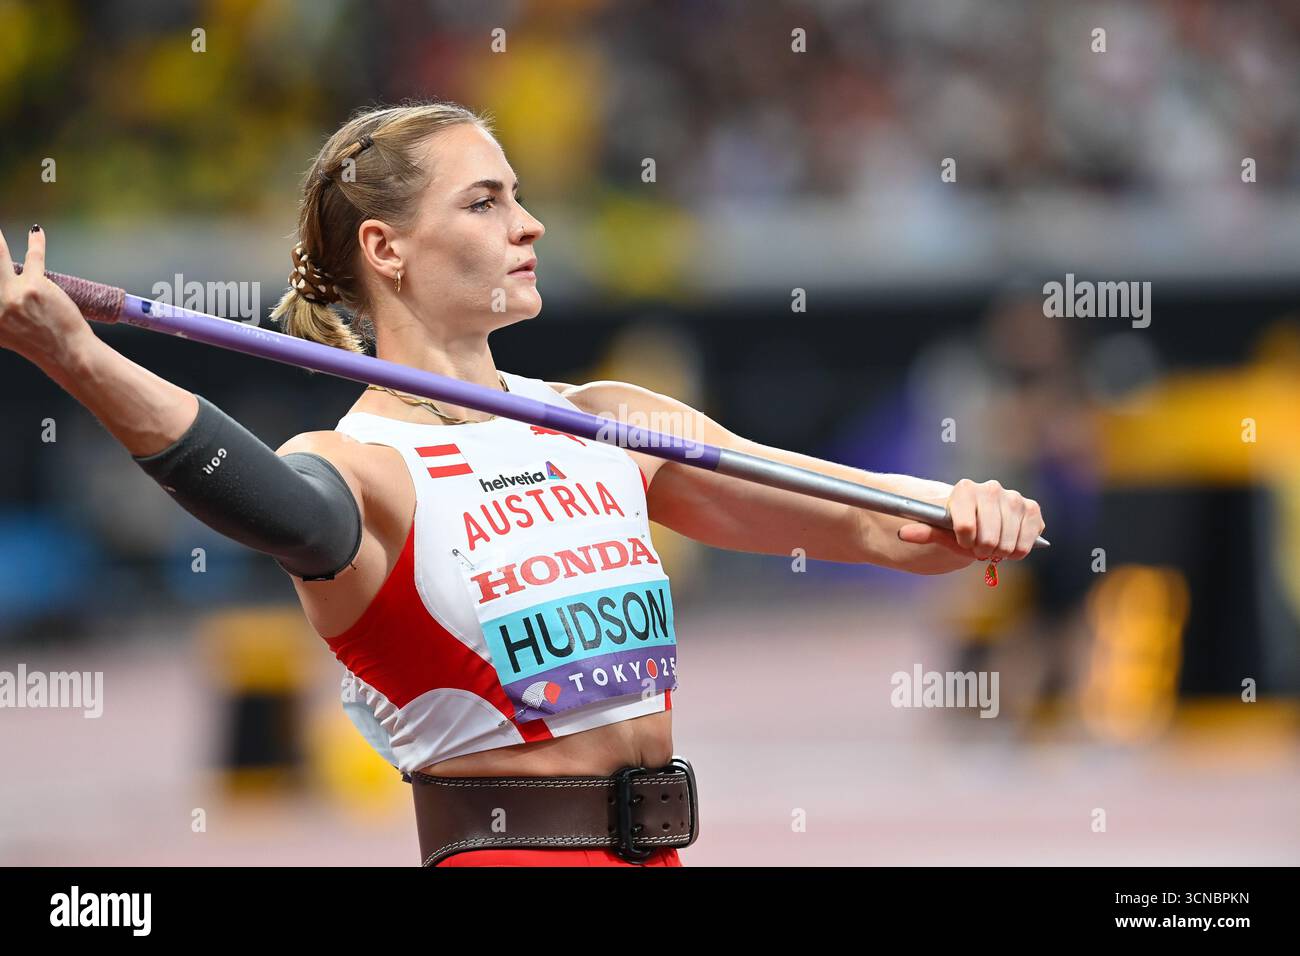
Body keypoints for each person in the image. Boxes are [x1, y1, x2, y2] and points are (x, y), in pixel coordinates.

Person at [0, 100, 1046, 867]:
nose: (529, 223)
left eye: (520, 195)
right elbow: (264, 500)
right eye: (487, 200)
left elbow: (869, 525)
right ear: (388, 248)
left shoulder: (606, 416)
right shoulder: (360, 468)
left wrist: (961, 512)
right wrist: (78, 359)